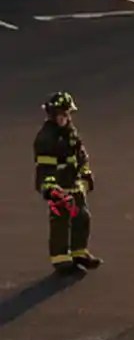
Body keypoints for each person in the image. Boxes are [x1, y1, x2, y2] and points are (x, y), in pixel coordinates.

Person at [34, 91, 101, 275]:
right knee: (60, 223)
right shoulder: (46, 138)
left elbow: (80, 154)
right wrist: (50, 189)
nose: (66, 118)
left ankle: (79, 252)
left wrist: (85, 172)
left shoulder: (70, 132)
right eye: (62, 115)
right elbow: (45, 168)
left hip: (74, 183)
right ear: (53, 115)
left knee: (82, 217)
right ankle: (61, 260)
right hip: (58, 188)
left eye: (68, 114)